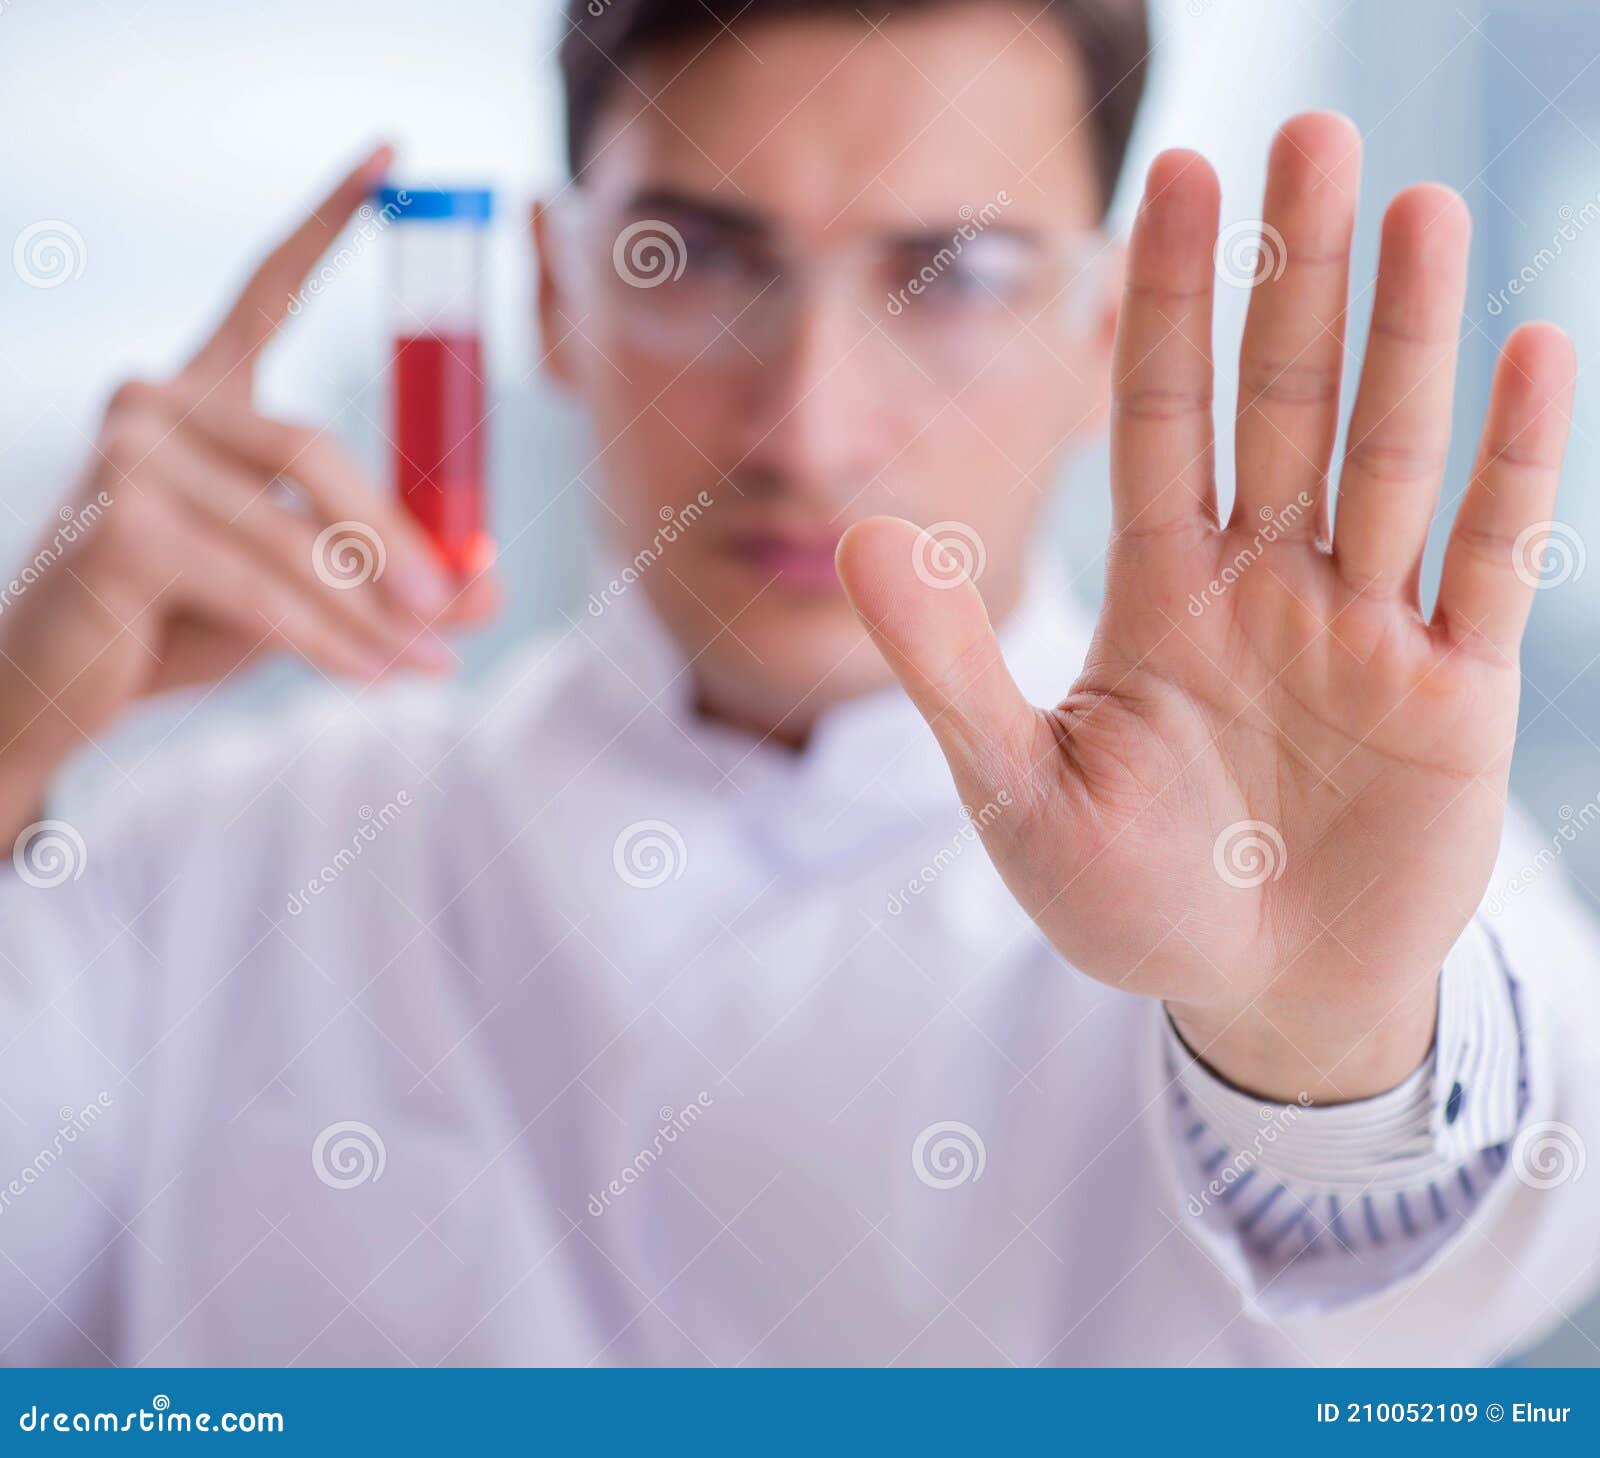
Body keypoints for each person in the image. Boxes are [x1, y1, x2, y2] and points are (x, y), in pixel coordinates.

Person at [0, 0, 1595, 1367]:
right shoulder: (218, 858)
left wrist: (1314, 1038)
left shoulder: (1334, 861)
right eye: (688, 255)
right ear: (555, 296)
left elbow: (1480, 1219)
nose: (808, 426)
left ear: (1103, 332)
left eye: (954, 274)